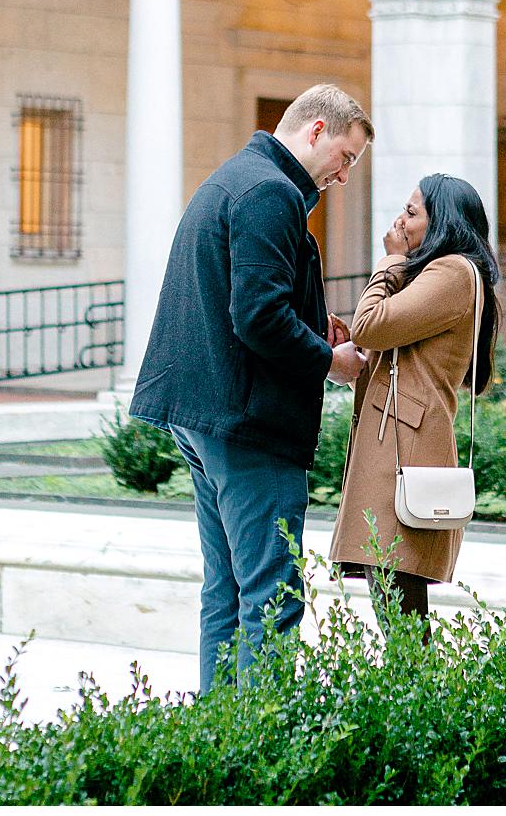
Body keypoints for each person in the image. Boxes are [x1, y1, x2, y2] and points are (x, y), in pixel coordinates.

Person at [130, 84, 373, 690]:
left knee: (229, 589)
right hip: (247, 423)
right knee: (271, 593)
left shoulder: (234, 177)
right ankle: (254, 755)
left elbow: (244, 305)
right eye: (346, 158)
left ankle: (220, 742)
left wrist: (315, 327)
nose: (343, 176)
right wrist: (331, 360)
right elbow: (259, 317)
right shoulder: (270, 190)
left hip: (205, 413)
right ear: (316, 130)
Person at [328, 174, 500, 635]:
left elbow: (372, 323)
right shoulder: (441, 274)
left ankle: (421, 695)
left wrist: (389, 262)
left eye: (411, 212)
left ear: (441, 222)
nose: (400, 221)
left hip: (405, 444)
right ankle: (417, 694)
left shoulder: (452, 272)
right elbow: (385, 341)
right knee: (390, 582)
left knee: (396, 586)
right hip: (398, 437)